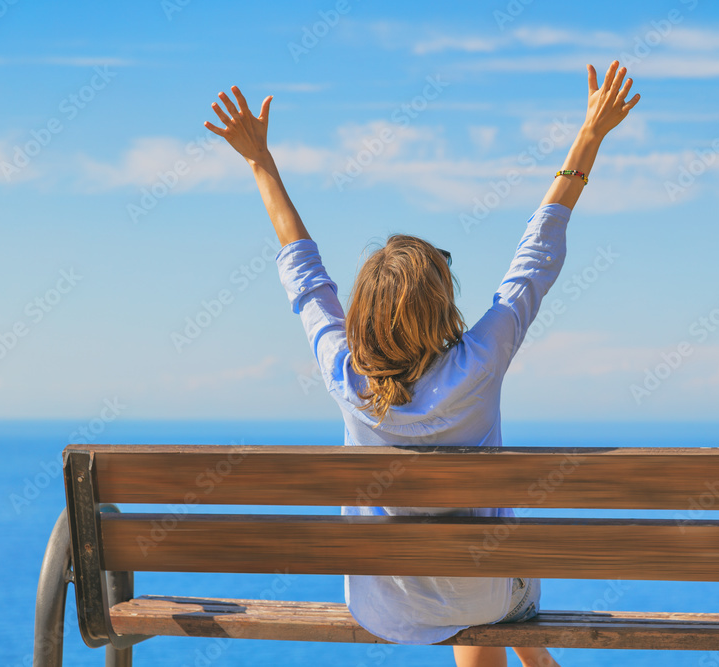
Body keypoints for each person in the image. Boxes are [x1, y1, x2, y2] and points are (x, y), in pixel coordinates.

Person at [204, 60, 640, 667]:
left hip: (391, 600)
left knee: (469, 585)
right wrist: (589, 135)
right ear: (441, 309)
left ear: (362, 318)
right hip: (485, 589)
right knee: (486, 585)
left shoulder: (344, 373)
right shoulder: (481, 361)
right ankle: (538, 658)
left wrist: (260, 162)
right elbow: (536, 257)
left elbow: (303, 276)